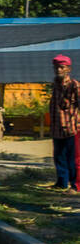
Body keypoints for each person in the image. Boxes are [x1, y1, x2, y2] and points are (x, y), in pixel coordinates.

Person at [49, 54, 80, 192]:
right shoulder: (55, 84)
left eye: (61, 67)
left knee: (73, 159)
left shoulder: (74, 85)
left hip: (72, 128)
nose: (58, 70)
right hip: (57, 128)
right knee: (59, 157)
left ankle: (75, 185)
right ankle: (62, 183)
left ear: (68, 69)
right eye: (56, 68)